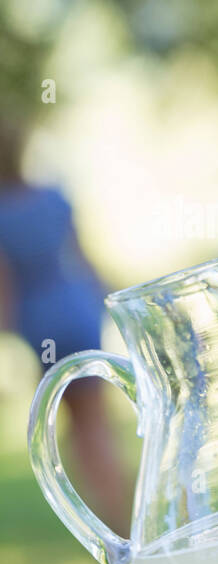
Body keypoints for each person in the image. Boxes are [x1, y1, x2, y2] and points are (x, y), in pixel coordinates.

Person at [0, 119, 128, 532]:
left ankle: (110, 517)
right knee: (97, 420)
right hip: (76, 307)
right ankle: (121, 508)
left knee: (76, 426)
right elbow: (82, 257)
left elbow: (6, 285)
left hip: (42, 323)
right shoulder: (53, 197)